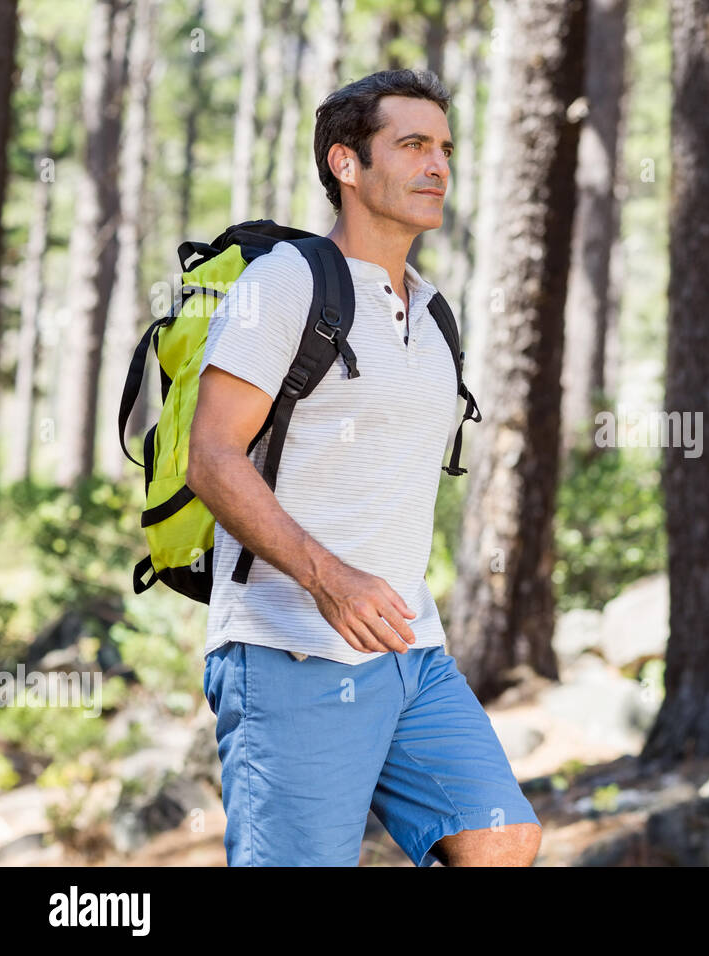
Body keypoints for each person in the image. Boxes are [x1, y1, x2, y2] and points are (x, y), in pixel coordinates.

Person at [187, 68, 541, 867]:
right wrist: (329, 577)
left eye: (445, 147)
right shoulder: (283, 284)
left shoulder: (432, 306)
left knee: (500, 838)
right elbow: (210, 458)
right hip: (289, 650)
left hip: (410, 652)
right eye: (412, 144)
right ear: (346, 164)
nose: (438, 165)